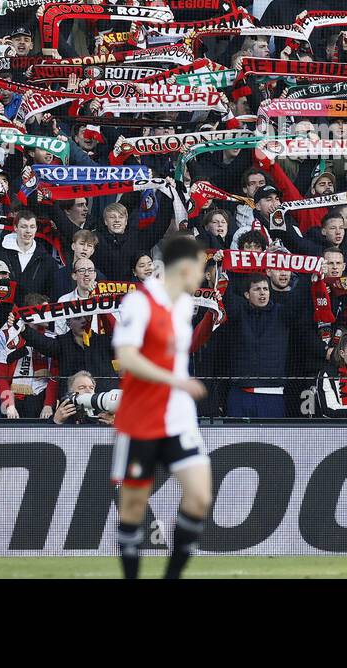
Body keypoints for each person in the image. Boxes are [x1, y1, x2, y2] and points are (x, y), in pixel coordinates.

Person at [110, 235, 211, 580]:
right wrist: (174, 380)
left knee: (199, 496)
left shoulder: (183, 305)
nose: (203, 276)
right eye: (200, 268)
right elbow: (126, 357)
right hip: (140, 420)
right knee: (133, 511)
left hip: (179, 418)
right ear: (184, 268)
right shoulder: (138, 303)